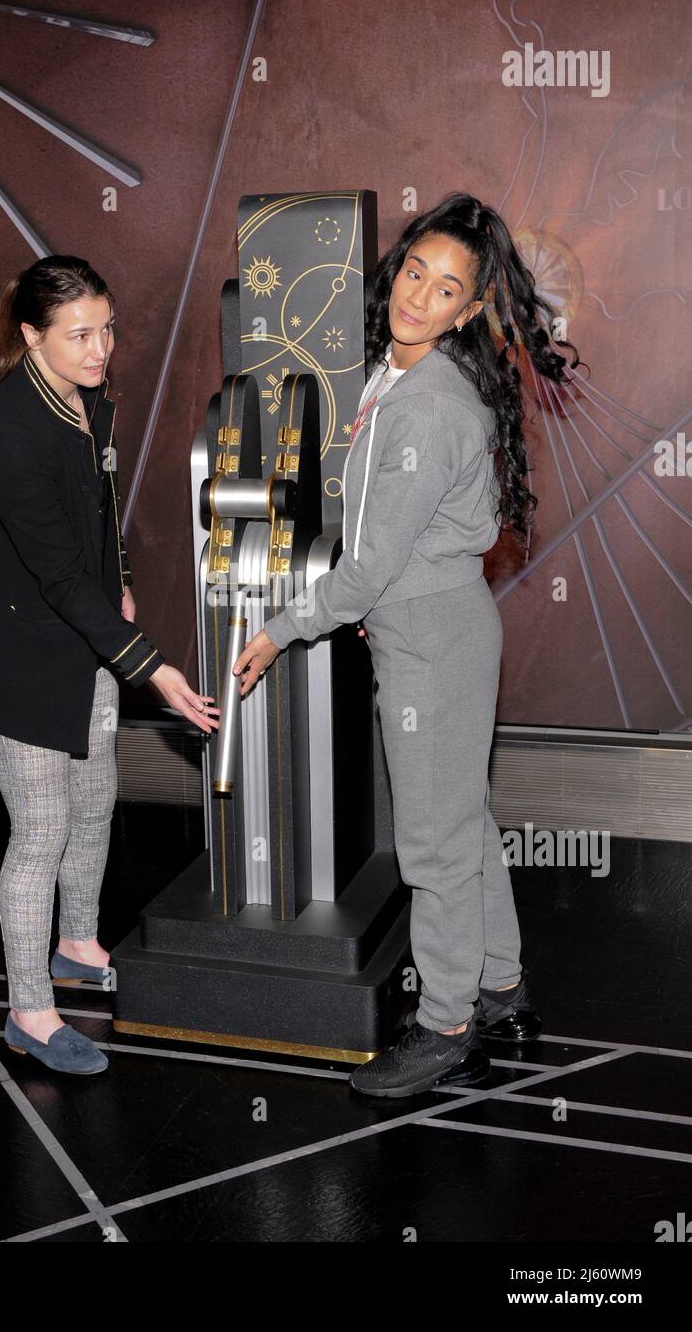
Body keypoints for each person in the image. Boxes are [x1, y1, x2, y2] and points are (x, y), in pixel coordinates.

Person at [233, 193, 583, 1100]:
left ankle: (447, 1026)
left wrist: (278, 630)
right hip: (436, 627)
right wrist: (366, 602)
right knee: (464, 825)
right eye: (415, 274)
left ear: (470, 309)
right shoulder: (403, 372)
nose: (419, 297)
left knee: (432, 847)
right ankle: (500, 989)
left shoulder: (426, 405)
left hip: (430, 643)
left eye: (446, 289)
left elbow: (369, 566)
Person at [0, 256, 220, 1076]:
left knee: (94, 804)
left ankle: (77, 944)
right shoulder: (6, 428)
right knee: (39, 833)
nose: (101, 348)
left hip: (88, 638)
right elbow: (57, 572)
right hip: (25, 657)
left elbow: (96, 523)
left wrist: (128, 585)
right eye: (79, 335)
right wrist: (154, 669)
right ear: (30, 336)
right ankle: (30, 1010)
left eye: (106, 328)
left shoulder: (82, 401)